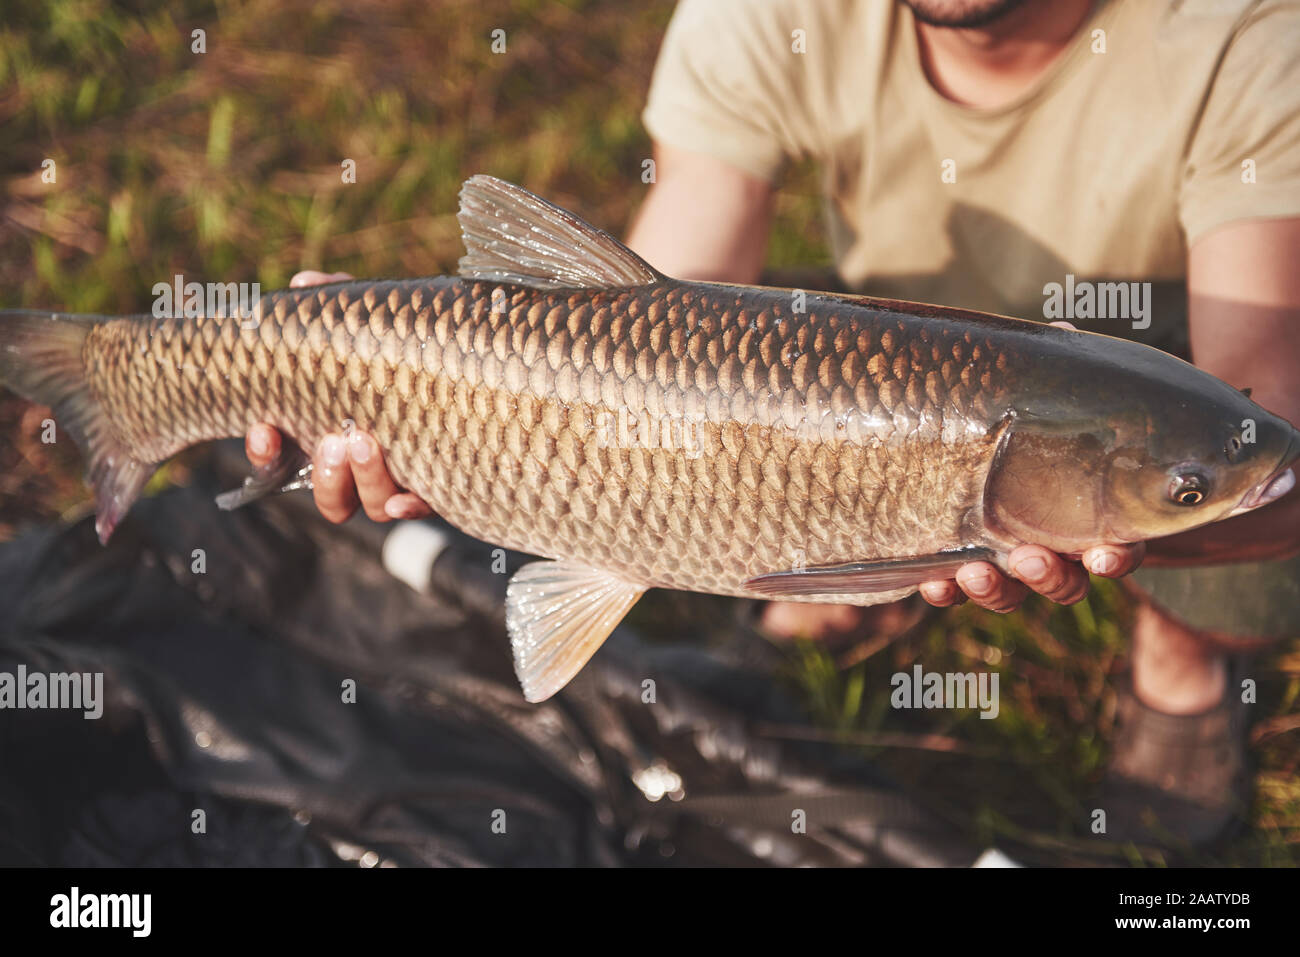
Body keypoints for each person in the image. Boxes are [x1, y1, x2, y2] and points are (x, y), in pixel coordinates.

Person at [246, 0, 1300, 844]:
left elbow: (1262, 407)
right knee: (705, 374)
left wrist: (1187, 495)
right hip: (877, 344)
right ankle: (813, 562)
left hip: (1157, 350)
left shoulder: (1241, 34)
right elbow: (670, 302)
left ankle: (1183, 654)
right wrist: (402, 358)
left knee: (1250, 476)